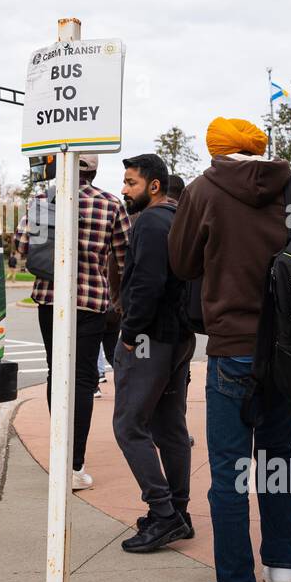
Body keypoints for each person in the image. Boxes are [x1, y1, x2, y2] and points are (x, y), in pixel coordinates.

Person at [169, 117, 291, 582]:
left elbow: (181, 263)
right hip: (290, 350)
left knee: (228, 472)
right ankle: (283, 565)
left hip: (234, 348)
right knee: (277, 458)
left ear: (218, 151)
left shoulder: (204, 190)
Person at [14, 153, 130, 490]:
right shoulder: (111, 204)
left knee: (56, 372)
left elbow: (21, 246)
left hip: (49, 300)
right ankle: (74, 465)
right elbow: (125, 259)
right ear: (94, 170)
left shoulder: (40, 200)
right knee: (82, 379)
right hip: (90, 302)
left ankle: (59, 451)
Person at [112, 153, 196, 552]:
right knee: (170, 428)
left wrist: (129, 334)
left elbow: (147, 283)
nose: (125, 190)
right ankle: (179, 513)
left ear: (154, 185)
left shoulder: (147, 222)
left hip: (150, 340)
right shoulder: (180, 218)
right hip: (181, 340)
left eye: (131, 183)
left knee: (129, 426)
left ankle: (163, 514)